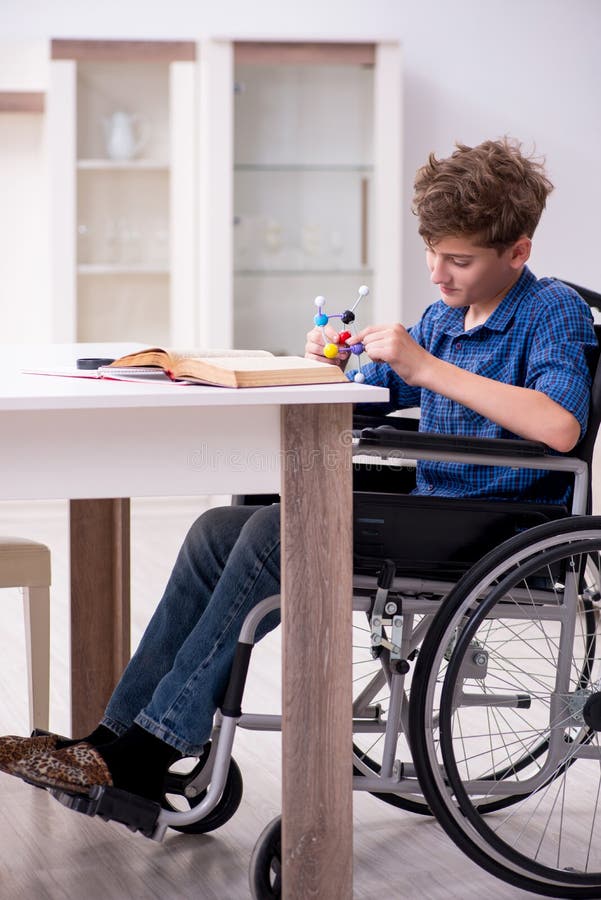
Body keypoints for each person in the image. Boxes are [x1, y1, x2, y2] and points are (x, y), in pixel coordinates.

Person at [0, 137, 596, 810]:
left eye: (457, 260)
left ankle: (152, 748)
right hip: (438, 507)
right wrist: (334, 365)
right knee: (215, 531)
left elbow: (558, 425)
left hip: (498, 527)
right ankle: (114, 740)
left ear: (516, 252)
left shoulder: (551, 311)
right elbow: (372, 393)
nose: (436, 272)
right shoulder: (444, 315)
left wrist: (425, 368)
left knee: (274, 535)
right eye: (431, 253)